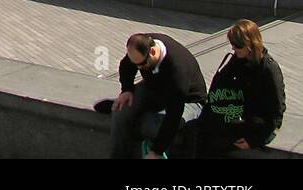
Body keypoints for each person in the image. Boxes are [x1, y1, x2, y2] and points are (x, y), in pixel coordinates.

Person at [108, 32, 208, 160]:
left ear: (153, 52)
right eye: (136, 64)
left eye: (142, 64)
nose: (139, 67)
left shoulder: (177, 68)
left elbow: (175, 113)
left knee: (152, 124)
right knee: (121, 111)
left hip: (189, 101)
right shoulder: (140, 46)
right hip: (155, 89)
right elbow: (126, 65)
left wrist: (156, 151)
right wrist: (127, 89)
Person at [195, 19, 287, 156]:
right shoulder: (240, 59)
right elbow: (220, 83)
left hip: (261, 125)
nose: (233, 48)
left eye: (237, 45)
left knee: (221, 146)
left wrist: (254, 140)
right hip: (242, 116)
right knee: (204, 134)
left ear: (250, 44)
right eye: (232, 44)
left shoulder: (269, 69)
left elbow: (277, 112)